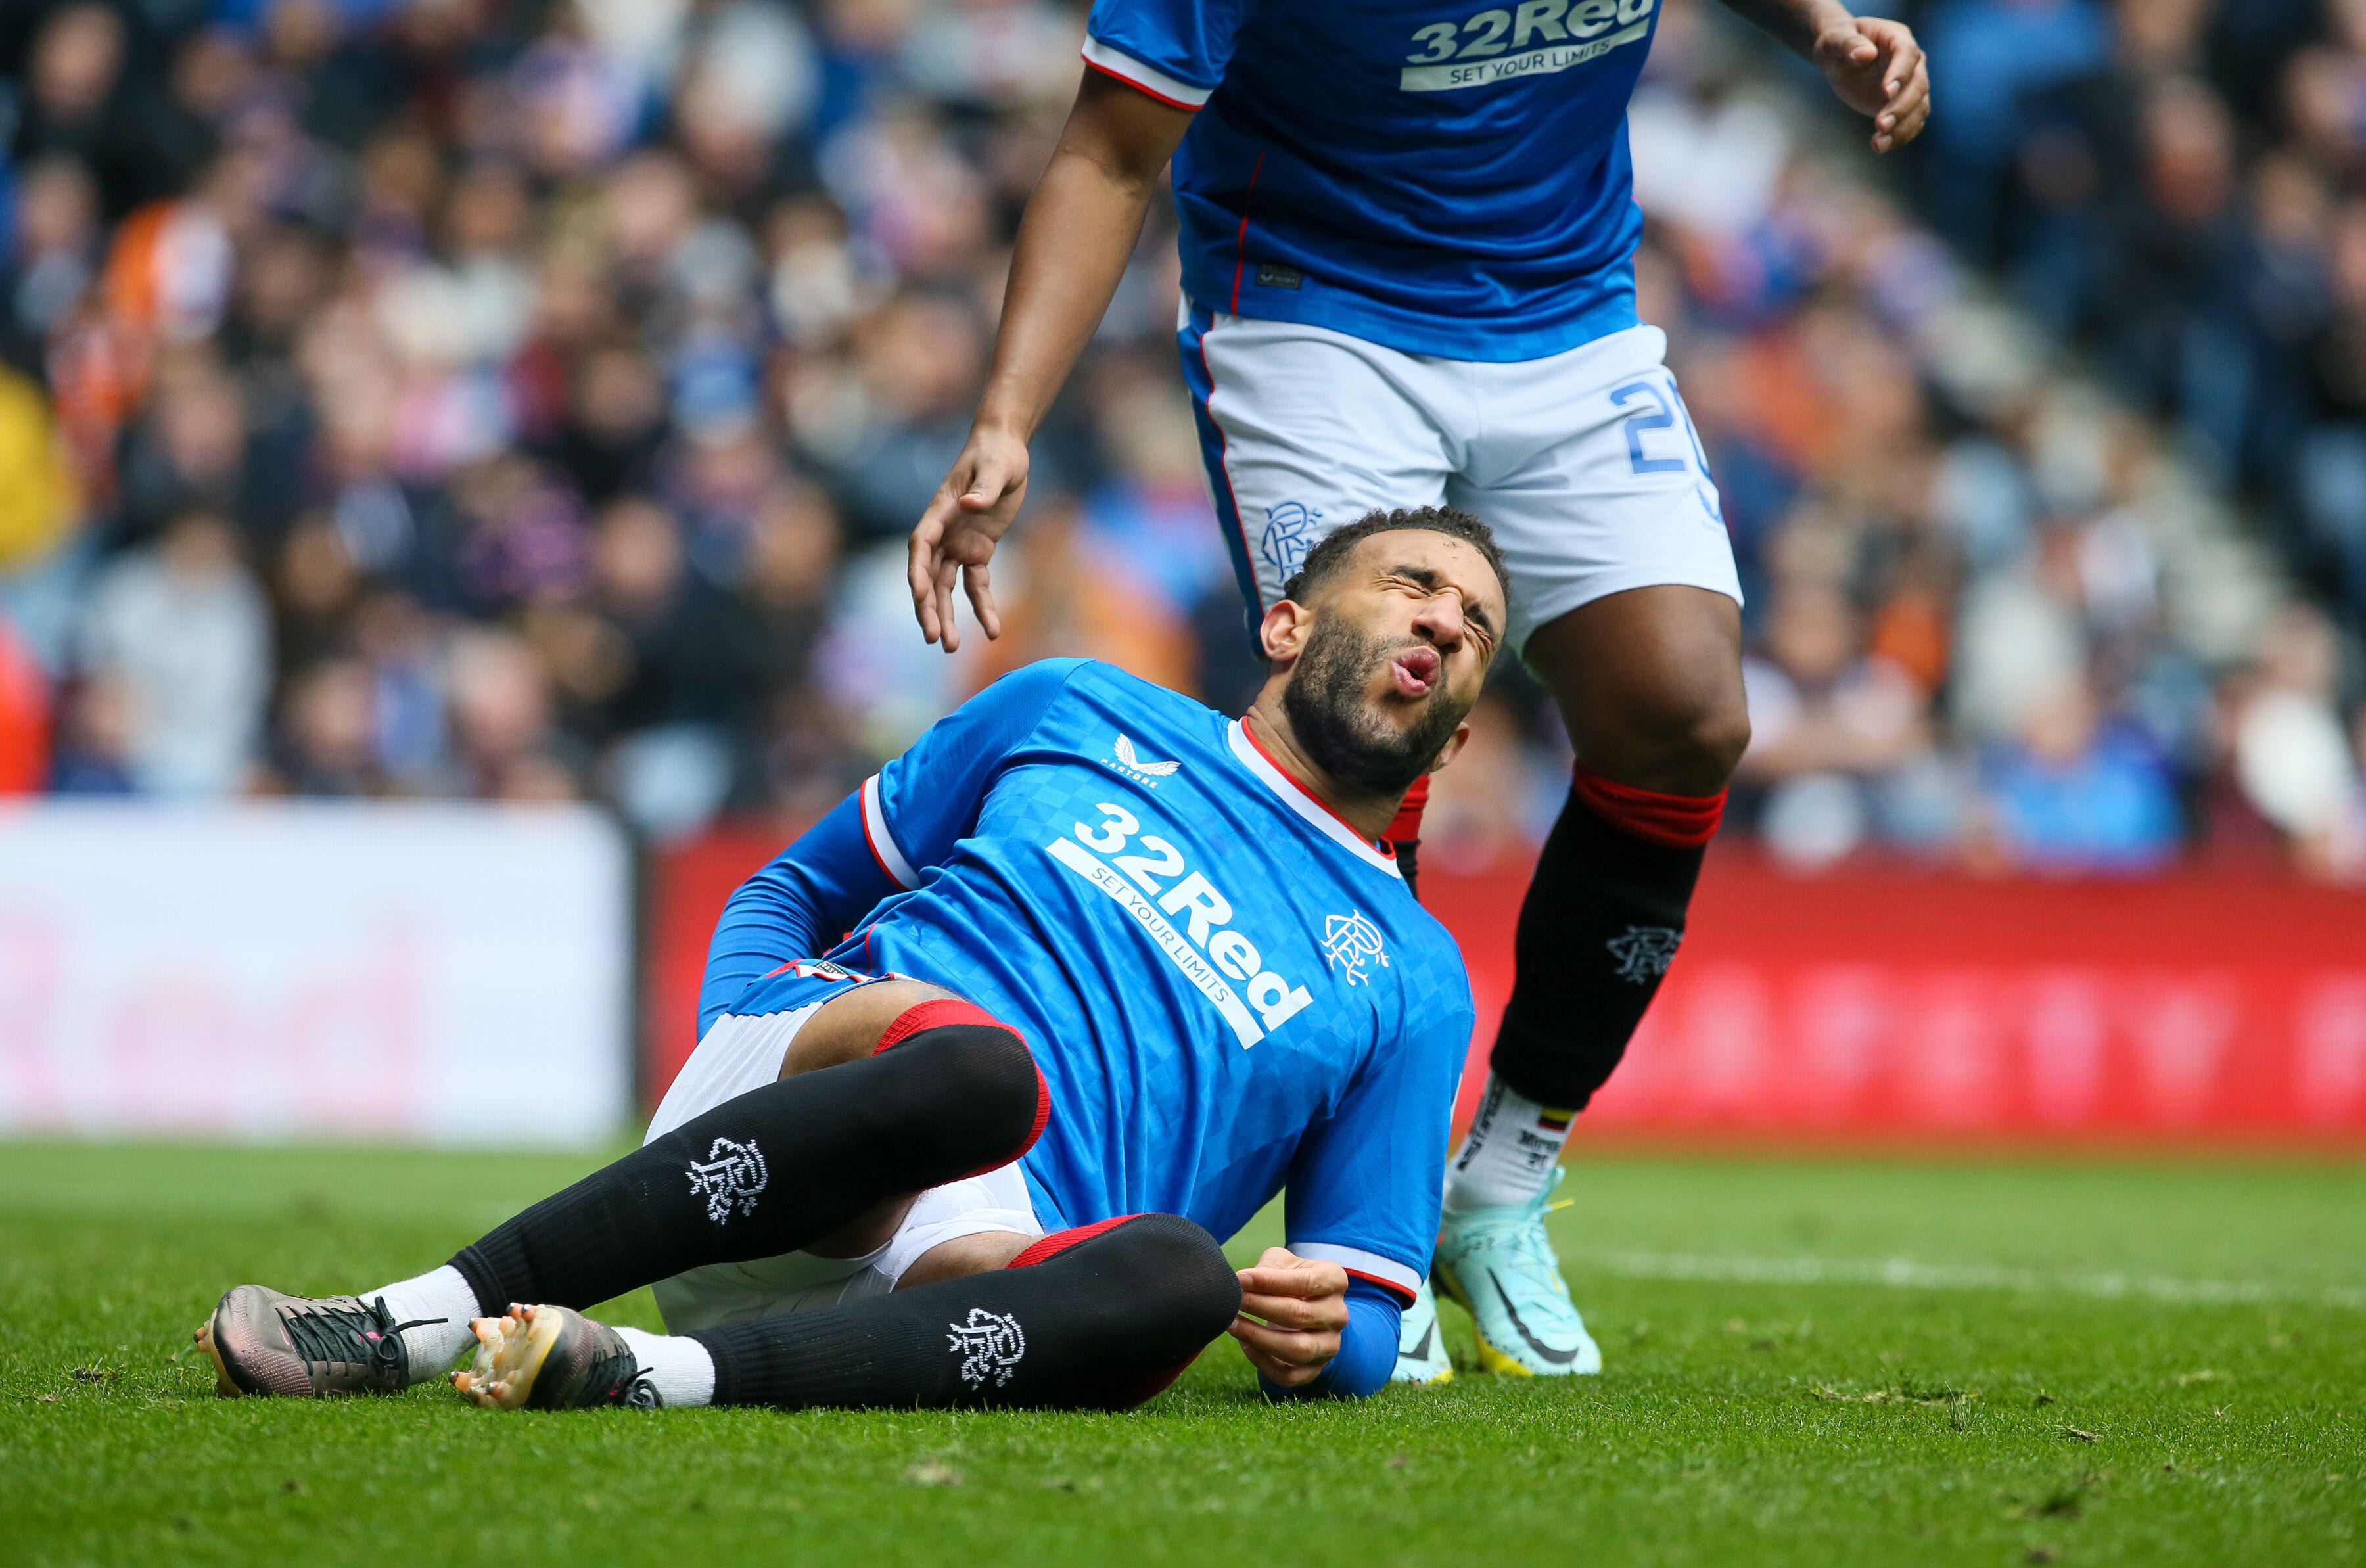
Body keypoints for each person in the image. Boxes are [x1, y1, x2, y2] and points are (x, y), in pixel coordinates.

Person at [906, 0, 1930, 1383]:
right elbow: (1111, 152)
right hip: (1316, 319)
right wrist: (1007, 419)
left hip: (1568, 317)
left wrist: (1820, 30)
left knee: (1687, 717)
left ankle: (1499, 1184)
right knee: (1363, 749)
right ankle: (1357, 1241)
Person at [195, 507, 1504, 1413]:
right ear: (1285, 625)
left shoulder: (1416, 976)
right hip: (826, 1108)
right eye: (1414, 586)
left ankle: (655, 1378)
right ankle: (398, 1322)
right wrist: (750, 1029)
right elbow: (796, 888)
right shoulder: (1075, 707)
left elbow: (1372, 1307)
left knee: (1181, 1276)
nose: (1445, 623)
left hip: (958, 1283)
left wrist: (1326, 1339)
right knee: (983, 1080)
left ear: (1450, 746)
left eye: (1479, 629)